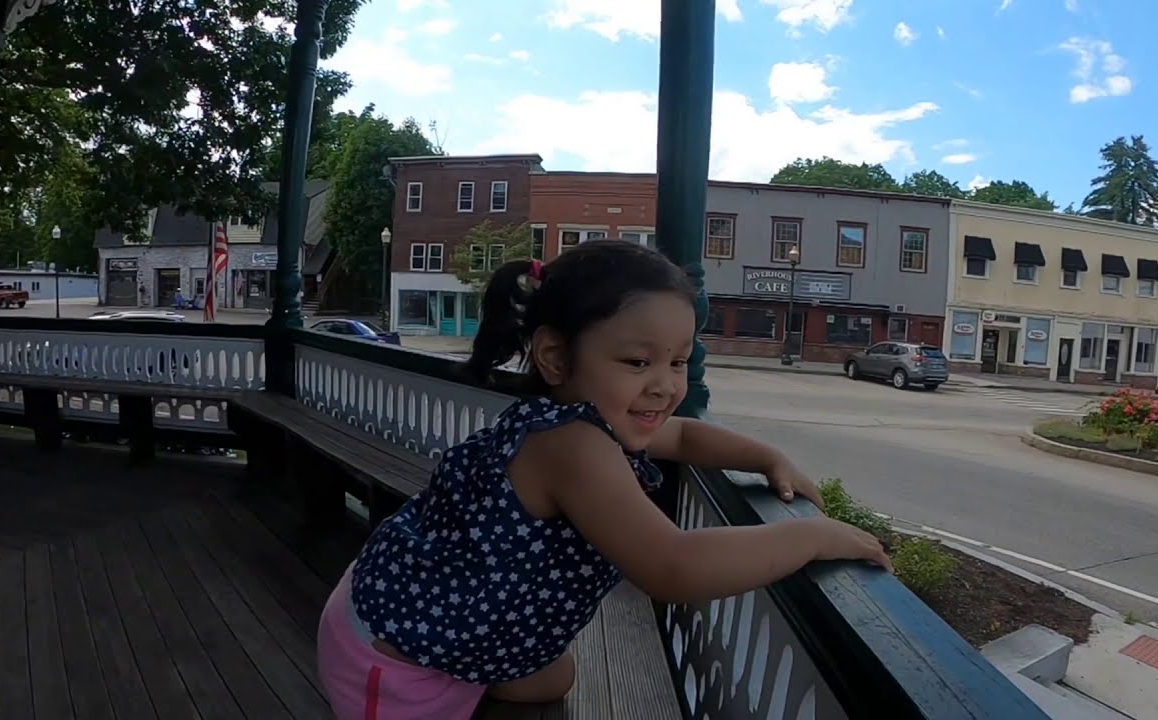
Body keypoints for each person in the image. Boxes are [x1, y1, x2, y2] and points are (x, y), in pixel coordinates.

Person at [316, 240, 892, 719]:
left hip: (437, 611)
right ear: (556, 358)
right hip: (396, 659)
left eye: (678, 362)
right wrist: (814, 537)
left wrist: (767, 456)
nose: (666, 386)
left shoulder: (585, 418)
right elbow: (672, 566)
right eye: (638, 363)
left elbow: (687, 437)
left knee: (557, 676)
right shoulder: (571, 444)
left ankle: (487, 668)